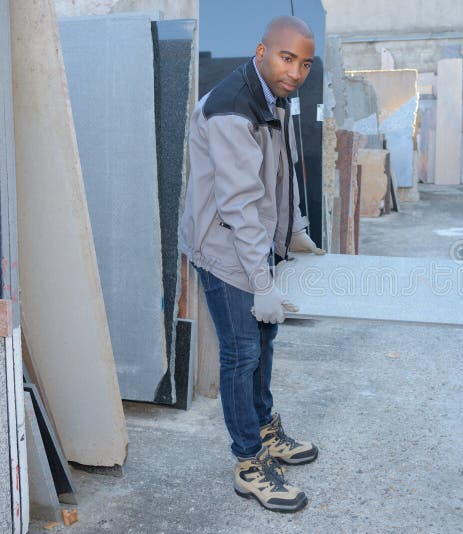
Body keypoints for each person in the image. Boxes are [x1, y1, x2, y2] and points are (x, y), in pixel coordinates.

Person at [179, 16, 325, 514]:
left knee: (264, 340)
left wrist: (295, 229)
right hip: (224, 249)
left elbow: (282, 173)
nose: (296, 72)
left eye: (305, 64)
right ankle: (248, 461)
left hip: (253, 243)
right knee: (241, 354)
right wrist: (262, 283)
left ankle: (264, 428)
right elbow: (239, 205)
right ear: (262, 51)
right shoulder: (230, 110)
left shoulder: (273, 96)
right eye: (288, 58)